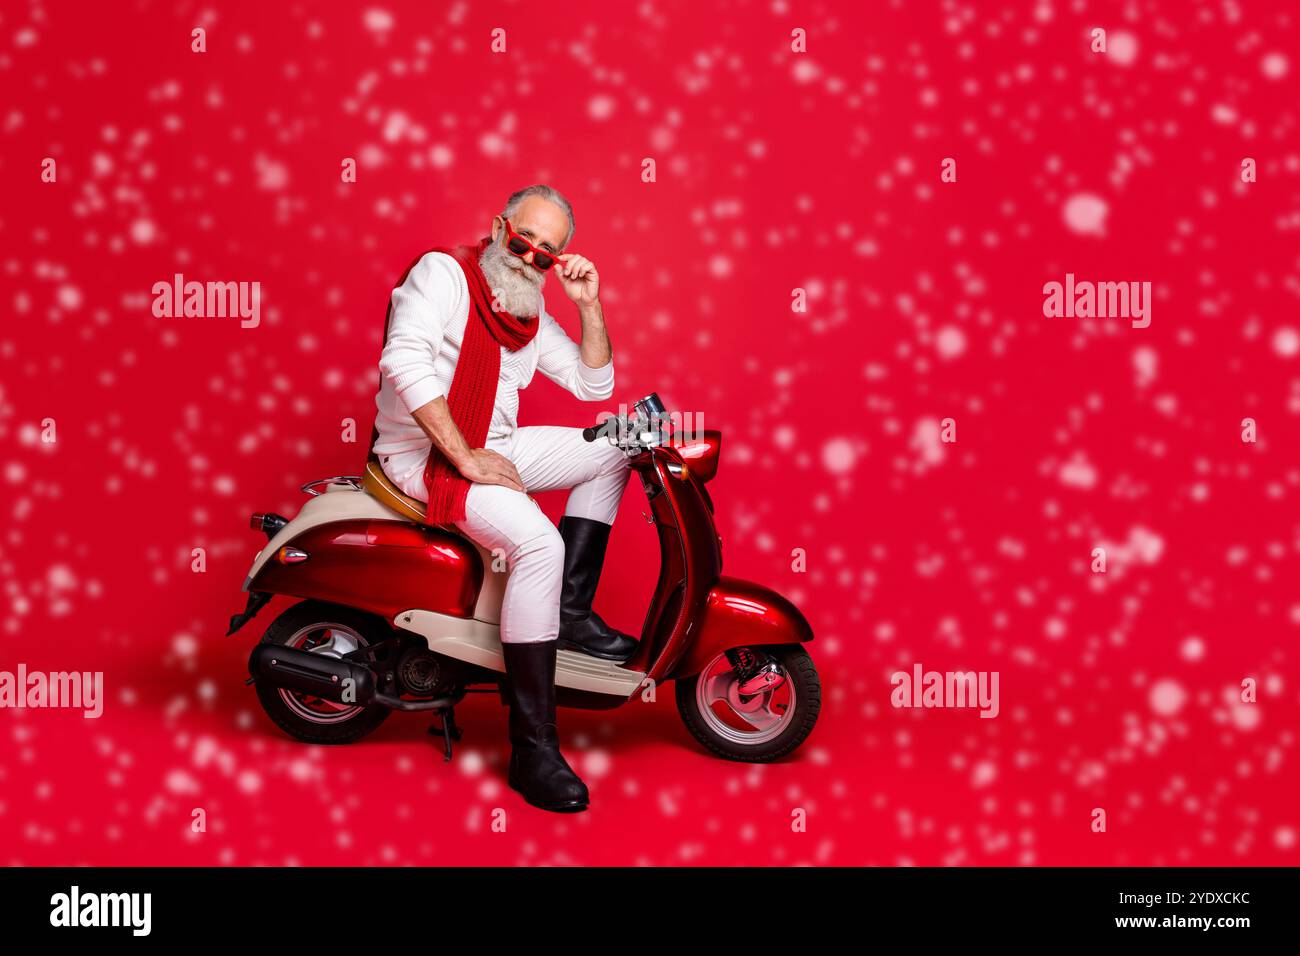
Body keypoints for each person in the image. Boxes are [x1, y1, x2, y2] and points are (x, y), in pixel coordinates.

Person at [371, 185, 635, 812]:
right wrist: (464, 458)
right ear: (498, 228)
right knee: (539, 544)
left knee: (617, 445)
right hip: (427, 455)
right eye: (522, 241)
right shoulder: (444, 275)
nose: (528, 258)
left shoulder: (529, 313)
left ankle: (567, 615)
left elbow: (594, 384)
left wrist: (588, 307)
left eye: (546, 254)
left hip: (498, 445)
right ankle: (533, 747)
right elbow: (402, 360)